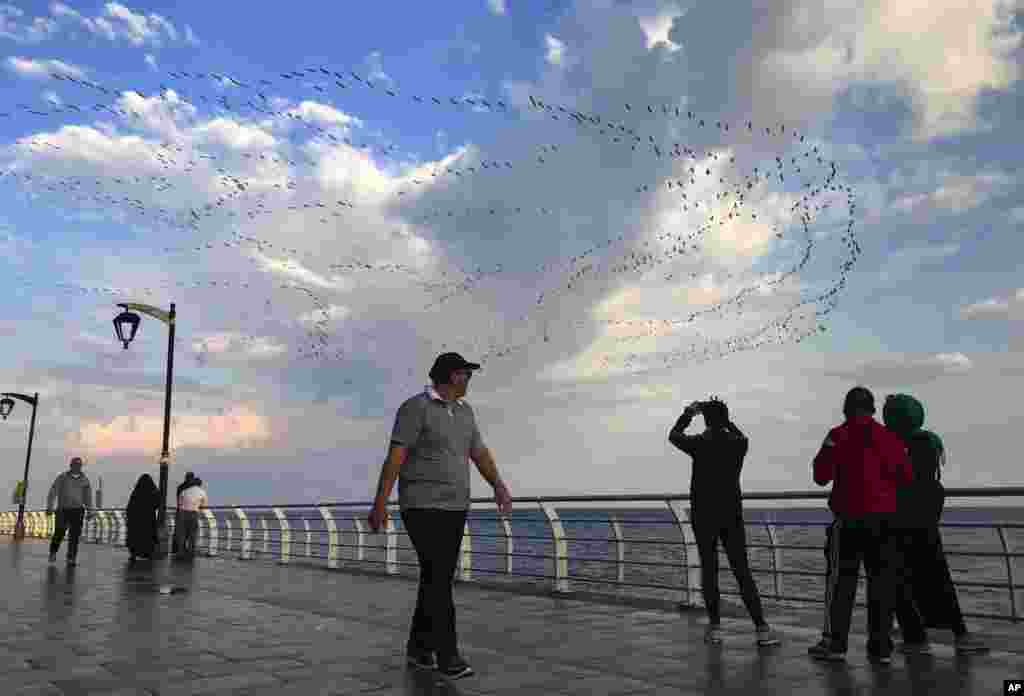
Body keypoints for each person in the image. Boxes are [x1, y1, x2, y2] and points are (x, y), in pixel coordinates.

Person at [368, 352, 513, 680]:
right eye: (466, 374)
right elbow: (396, 457)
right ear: (451, 376)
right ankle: (447, 655)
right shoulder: (415, 408)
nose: (469, 380)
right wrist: (380, 502)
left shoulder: (465, 412)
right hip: (421, 505)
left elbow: (479, 452)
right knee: (438, 579)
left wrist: (499, 486)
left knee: (437, 579)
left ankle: (419, 649)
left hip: (454, 506)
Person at [808, 386, 918, 664]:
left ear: (846, 408)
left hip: (847, 521)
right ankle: (880, 649)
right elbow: (906, 478)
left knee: (841, 583)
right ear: (872, 408)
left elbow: (821, 476)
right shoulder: (890, 438)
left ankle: (836, 645)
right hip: (884, 522)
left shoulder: (837, 435)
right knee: (881, 584)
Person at [668, 397, 780, 647]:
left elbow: (674, 435)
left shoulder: (699, 443)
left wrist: (689, 413)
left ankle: (715, 628)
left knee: (710, 570)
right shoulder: (739, 444)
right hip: (731, 514)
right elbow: (740, 434)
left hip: (704, 514)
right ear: (726, 419)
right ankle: (761, 628)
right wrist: (726, 421)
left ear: (706, 420)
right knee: (742, 570)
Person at [883, 393, 988, 655]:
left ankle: (915, 636)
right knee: (938, 575)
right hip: (926, 516)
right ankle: (959, 633)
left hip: (895, 517)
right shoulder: (930, 440)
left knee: (901, 577)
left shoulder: (885, 442)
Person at [46, 456, 93, 566]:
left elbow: (88, 497)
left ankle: (71, 558)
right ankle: (53, 552)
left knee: (75, 535)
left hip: (78, 510)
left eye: (79, 465)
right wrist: (50, 507)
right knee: (60, 532)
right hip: (63, 510)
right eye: (75, 464)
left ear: (81, 466)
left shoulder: (85, 480)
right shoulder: (62, 477)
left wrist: (90, 511)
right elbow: (53, 492)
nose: (77, 467)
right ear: (71, 465)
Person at [125, 474, 160, 562]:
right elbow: (157, 505)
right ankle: (148, 554)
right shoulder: (153, 492)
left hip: (136, 519)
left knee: (135, 537)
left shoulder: (136, 492)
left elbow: (130, 507)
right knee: (148, 537)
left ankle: (133, 554)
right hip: (148, 519)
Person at [176, 477, 207, 560]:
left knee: (182, 533)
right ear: (200, 484)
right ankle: (191, 552)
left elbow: (179, 503)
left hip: (182, 513)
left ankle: (180, 552)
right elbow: (203, 505)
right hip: (193, 513)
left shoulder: (184, 491)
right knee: (192, 534)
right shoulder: (202, 492)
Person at [172, 472, 198, 555]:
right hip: (189, 512)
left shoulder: (180, 487)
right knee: (190, 533)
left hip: (180, 511)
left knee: (181, 532)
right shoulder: (190, 488)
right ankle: (188, 550)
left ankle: (180, 549)